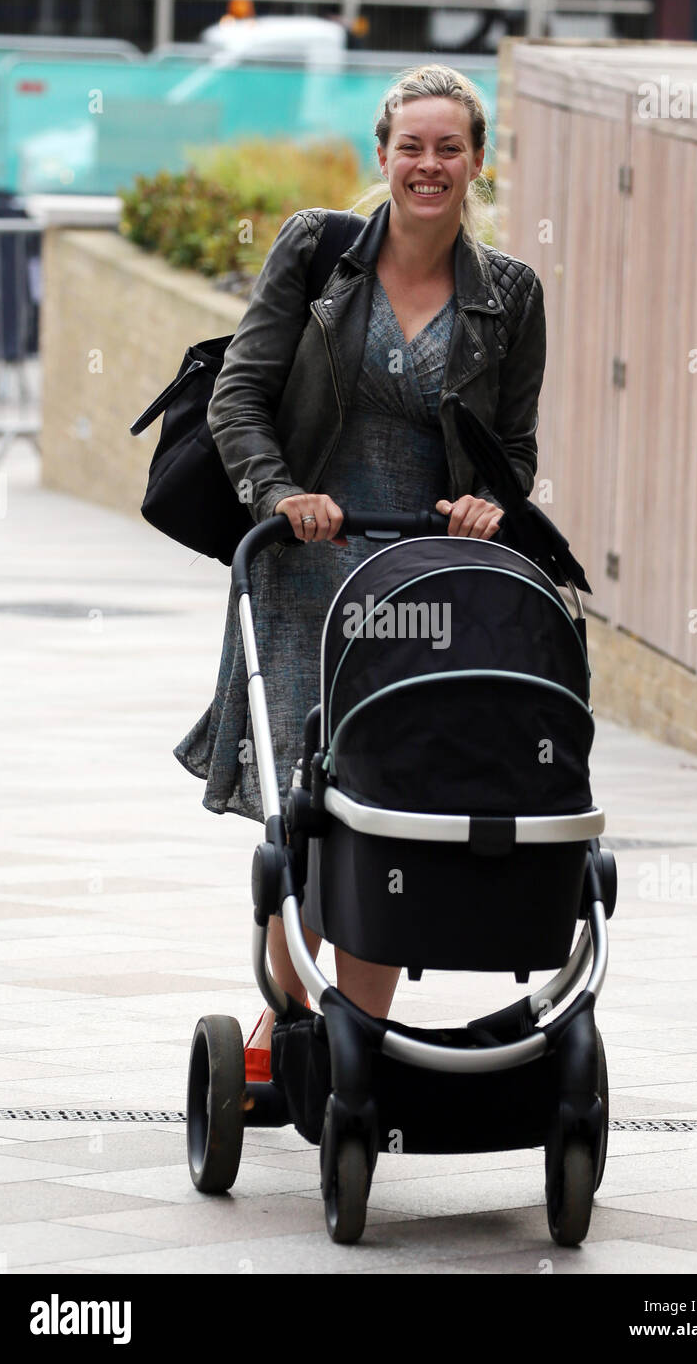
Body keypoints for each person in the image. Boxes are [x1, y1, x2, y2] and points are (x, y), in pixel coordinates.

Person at [174, 63, 546, 1078]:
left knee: (392, 812)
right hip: (302, 572)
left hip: (424, 586)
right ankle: (290, 1024)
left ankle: (357, 1043)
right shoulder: (315, 250)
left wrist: (491, 504)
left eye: (450, 147)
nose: (429, 166)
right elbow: (239, 395)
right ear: (378, 155)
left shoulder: (510, 294)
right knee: (304, 815)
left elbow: (514, 450)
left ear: (477, 160)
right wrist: (279, 490)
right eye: (411, 147)